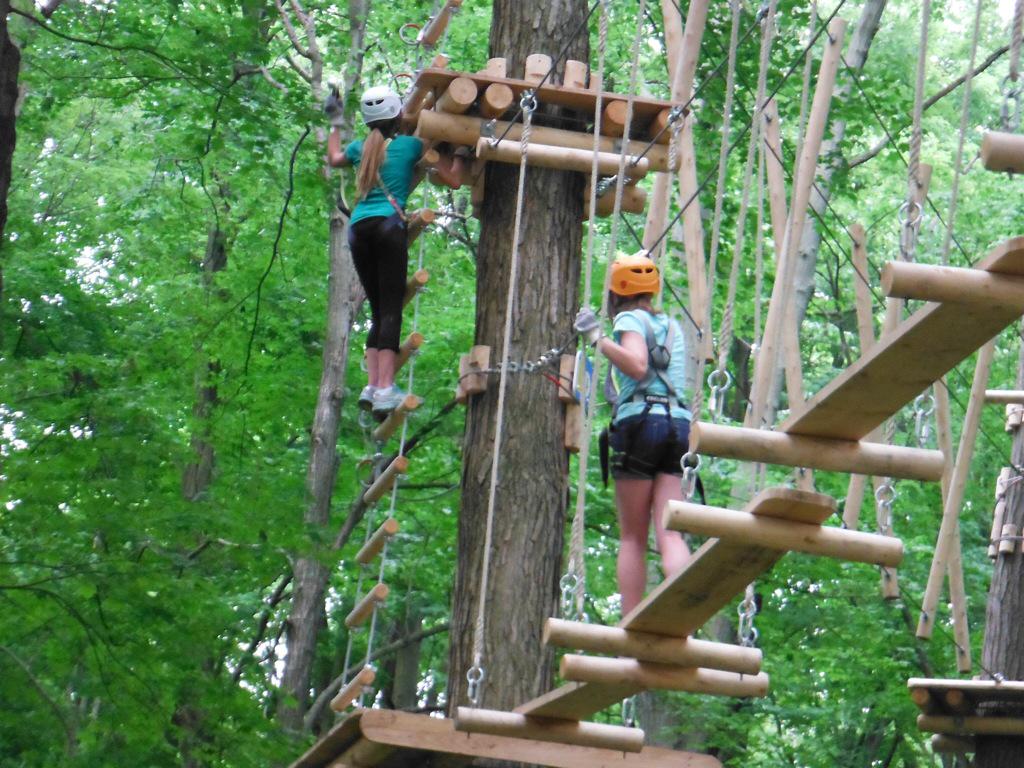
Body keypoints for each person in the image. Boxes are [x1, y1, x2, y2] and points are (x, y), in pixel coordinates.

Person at [574, 253, 692, 616]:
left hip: (640, 424)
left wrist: (598, 340)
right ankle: (682, 614)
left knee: (632, 537)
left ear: (616, 293)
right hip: (678, 427)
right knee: (670, 533)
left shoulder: (628, 318)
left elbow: (638, 365)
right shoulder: (672, 327)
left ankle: (630, 623)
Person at [326, 85, 424, 416]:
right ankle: (384, 388)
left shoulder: (358, 149)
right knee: (391, 309)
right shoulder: (410, 146)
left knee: (379, 310)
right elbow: (437, 152)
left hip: (359, 229)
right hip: (387, 228)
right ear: (398, 115)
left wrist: (335, 121)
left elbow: (334, 158)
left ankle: (372, 386)